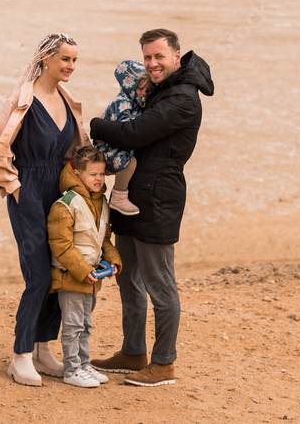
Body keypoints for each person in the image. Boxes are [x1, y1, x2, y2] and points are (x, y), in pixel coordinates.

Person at [89, 29, 214, 387]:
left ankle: (163, 364)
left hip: (159, 198)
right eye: (147, 57)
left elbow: (134, 134)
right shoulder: (160, 89)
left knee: (160, 283)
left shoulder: (182, 99)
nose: (152, 63)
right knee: (127, 275)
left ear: (177, 55)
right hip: (133, 196)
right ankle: (133, 352)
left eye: (159, 56)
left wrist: (96, 125)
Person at [0, 33, 88, 387]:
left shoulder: (69, 101)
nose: (70, 66)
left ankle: (43, 350)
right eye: (65, 59)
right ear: (45, 59)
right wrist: (17, 189)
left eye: (74, 60)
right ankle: (20, 355)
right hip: (29, 193)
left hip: (61, 195)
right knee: (38, 275)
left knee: (59, 271)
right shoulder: (21, 100)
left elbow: (76, 150)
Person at [47, 145, 122, 388]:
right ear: (78, 173)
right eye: (93, 174)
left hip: (91, 276)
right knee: (73, 325)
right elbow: (60, 245)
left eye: (101, 174)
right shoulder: (66, 204)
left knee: (85, 324)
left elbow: (103, 240)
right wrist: (83, 270)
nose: (99, 179)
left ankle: (83, 363)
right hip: (72, 276)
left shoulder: (100, 203)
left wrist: (113, 259)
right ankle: (71, 369)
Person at [93, 59, 155, 216]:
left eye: (147, 91)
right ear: (129, 85)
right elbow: (123, 131)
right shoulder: (122, 103)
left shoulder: (133, 102)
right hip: (109, 147)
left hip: (116, 144)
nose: (143, 93)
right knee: (130, 163)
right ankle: (119, 197)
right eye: (140, 88)